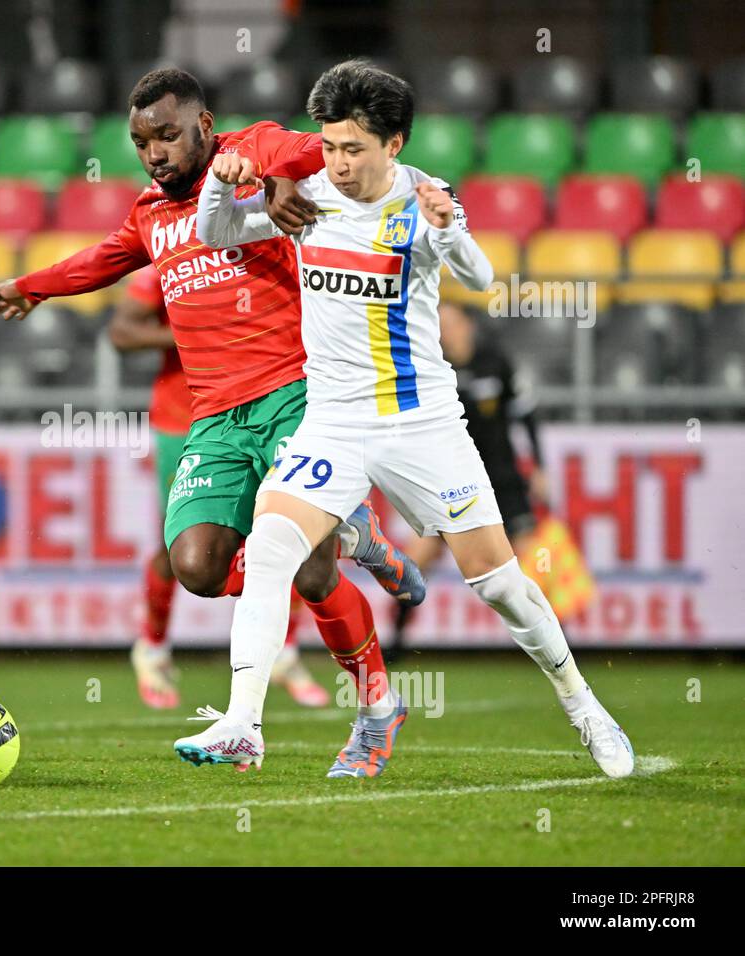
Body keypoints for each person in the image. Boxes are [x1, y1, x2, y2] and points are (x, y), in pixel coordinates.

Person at [187, 58, 633, 779]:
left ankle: (584, 706)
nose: (336, 163)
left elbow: (483, 279)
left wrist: (449, 229)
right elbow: (215, 233)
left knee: (499, 585)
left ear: (394, 144)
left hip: (418, 424)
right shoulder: (302, 193)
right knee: (271, 548)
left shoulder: (423, 199)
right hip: (330, 421)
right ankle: (242, 722)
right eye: (329, 146)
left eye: (353, 149)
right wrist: (223, 179)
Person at [0, 69, 424, 745]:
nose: (153, 152)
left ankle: (375, 701)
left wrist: (274, 177)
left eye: (166, 134)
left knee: (308, 570)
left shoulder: (250, 149)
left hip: (295, 396)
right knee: (194, 565)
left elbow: (314, 150)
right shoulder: (150, 214)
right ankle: (346, 540)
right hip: (214, 416)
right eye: (140, 141)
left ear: (205, 125)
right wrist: (32, 287)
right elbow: (102, 259)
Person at [110, 266, 328, 709]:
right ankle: (151, 649)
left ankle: (283, 651)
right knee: (180, 547)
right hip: (187, 419)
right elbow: (121, 332)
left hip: (273, 409)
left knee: (288, 531)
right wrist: (194, 333)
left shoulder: (270, 248)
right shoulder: (175, 257)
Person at [390, 301, 551, 659]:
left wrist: (539, 467)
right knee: (415, 563)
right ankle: (395, 645)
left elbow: (525, 415)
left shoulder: (495, 361)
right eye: (439, 324)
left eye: (451, 322)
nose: (446, 330)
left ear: (467, 324)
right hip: (451, 483)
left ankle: (556, 643)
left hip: (503, 481)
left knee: (533, 562)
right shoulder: (431, 368)